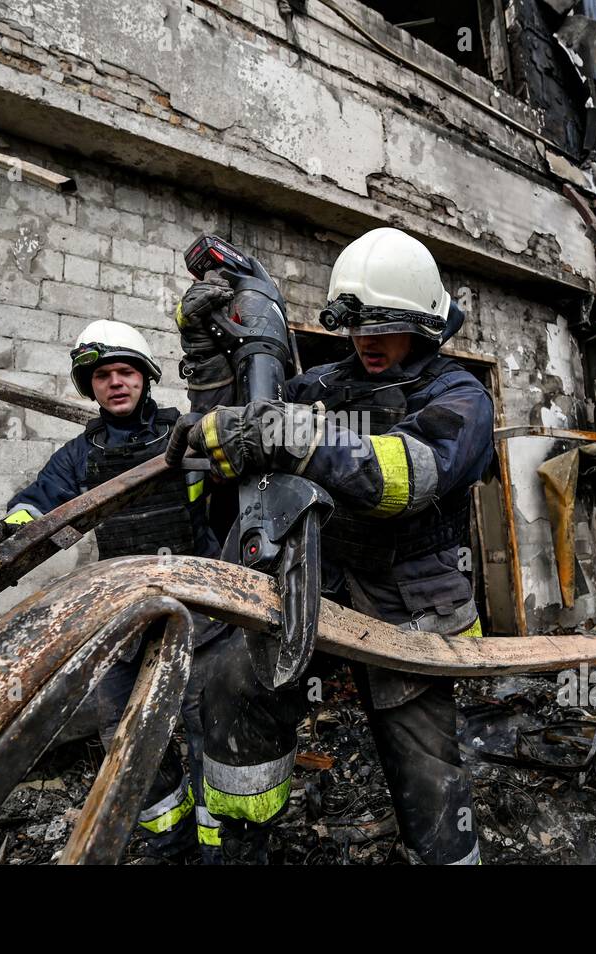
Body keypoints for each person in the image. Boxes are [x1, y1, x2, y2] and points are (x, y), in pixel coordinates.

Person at [176, 227, 493, 864]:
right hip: (315, 578)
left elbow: (403, 476)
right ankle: (239, 845)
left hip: (411, 602)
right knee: (239, 686)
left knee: (425, 764)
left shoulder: (460, 396)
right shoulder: (320, 384)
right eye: (357, 324)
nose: (367, 341)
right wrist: (211, 361)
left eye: (385, 326)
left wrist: (298, 437)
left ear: (426, 324)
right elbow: (246, 429)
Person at [2, 318, 225, 861]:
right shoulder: (83, 453)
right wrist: (19, 523)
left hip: (197, 604)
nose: (116, 383)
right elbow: (39, 498)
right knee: (125, 730)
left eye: (126, 371)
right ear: (90, 386)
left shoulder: (184, 430)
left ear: (145, 378)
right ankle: (168, 840)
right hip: (126, 610)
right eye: (103, 376)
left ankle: (219, 842)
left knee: (208, 726)